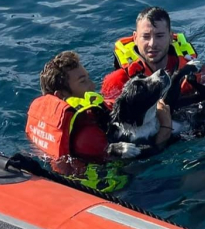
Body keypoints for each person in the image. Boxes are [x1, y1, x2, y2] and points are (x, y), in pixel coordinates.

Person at [25, 51, 172, 192]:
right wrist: (165, 127)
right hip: (117, 191)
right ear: (62, 95)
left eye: (88, 78)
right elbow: (140, 160)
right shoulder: (88, 137)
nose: (93, 86)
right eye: (83, 82)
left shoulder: (53, 123)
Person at [100, 6, 205, 105]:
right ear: (135, 38)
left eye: (159, 36)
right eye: (146, 36)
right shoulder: (118, 80)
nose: (152, 44)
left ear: (171, 37)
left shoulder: (191, 69)